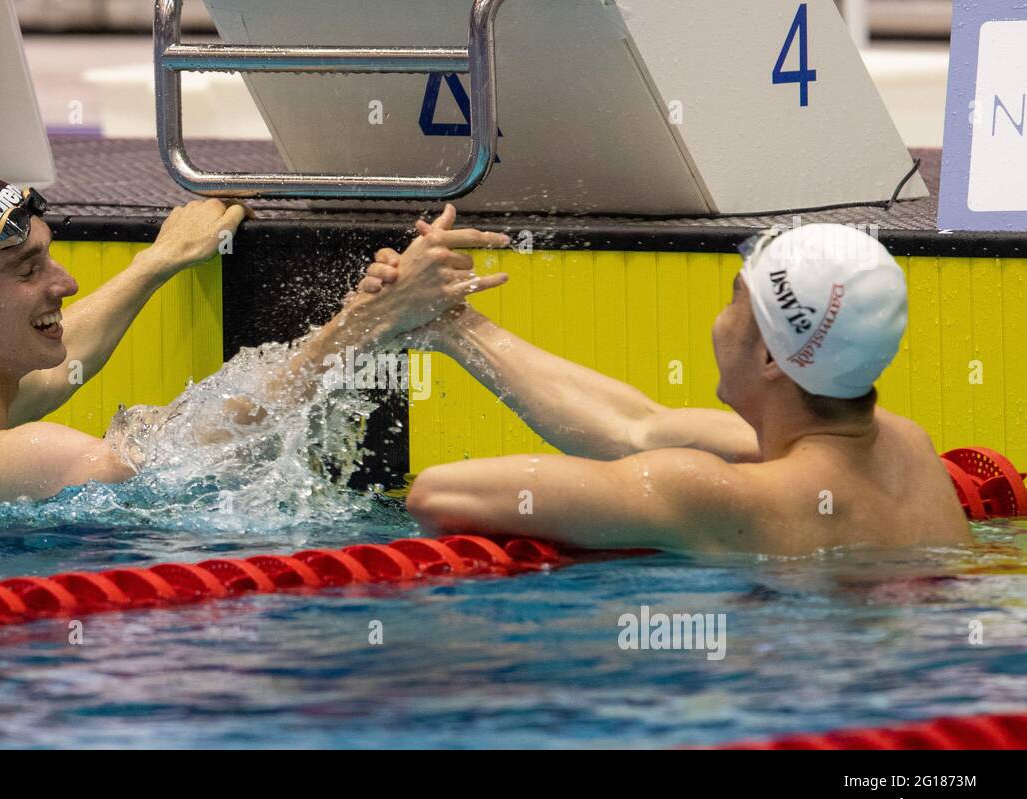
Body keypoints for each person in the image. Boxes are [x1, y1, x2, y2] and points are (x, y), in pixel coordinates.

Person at [0, 171, 508, 506]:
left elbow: (55, 366)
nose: (65, 283)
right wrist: (366, 323)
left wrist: (157, 262)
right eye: (27, 270)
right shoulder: (16, 460)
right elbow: (203, 443)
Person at [361, 212, 971, 554]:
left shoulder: (715, 495)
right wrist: (450, 323)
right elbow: (637, 428)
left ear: (770, 357)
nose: (720, 317)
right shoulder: (905, 445)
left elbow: (436, 495)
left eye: (734, 299)